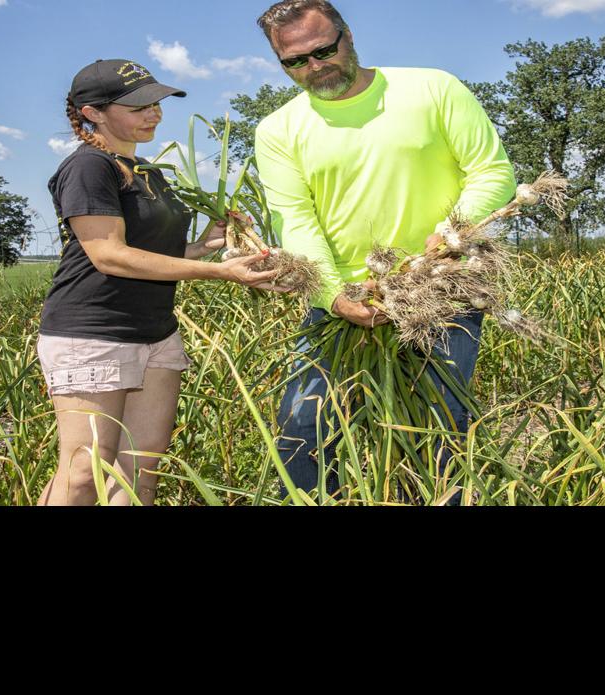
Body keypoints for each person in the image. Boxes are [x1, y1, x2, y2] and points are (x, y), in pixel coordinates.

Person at [251, 0, 516, 500]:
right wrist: (333, 296)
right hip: (344, 297)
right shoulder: (276, 131)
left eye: (324, 50)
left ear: (348, 36)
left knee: (437, 431)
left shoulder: (433, 88)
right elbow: (297, 222)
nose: (315, 66)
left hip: (441, 290)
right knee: (303, 430)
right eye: (295, 61)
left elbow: (493, 171)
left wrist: (453, 233)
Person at [38, 59, 285, 506]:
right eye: (138, 106)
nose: (153, 113)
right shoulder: (89, 168)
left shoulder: (147, 170)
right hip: (92, 333)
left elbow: (159, 255)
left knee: (141, 466)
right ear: (92, 112)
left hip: (154, 333)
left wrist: (207, 246)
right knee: (83, 472)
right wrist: (220, 272)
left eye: (156, 102)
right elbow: (110, 255)